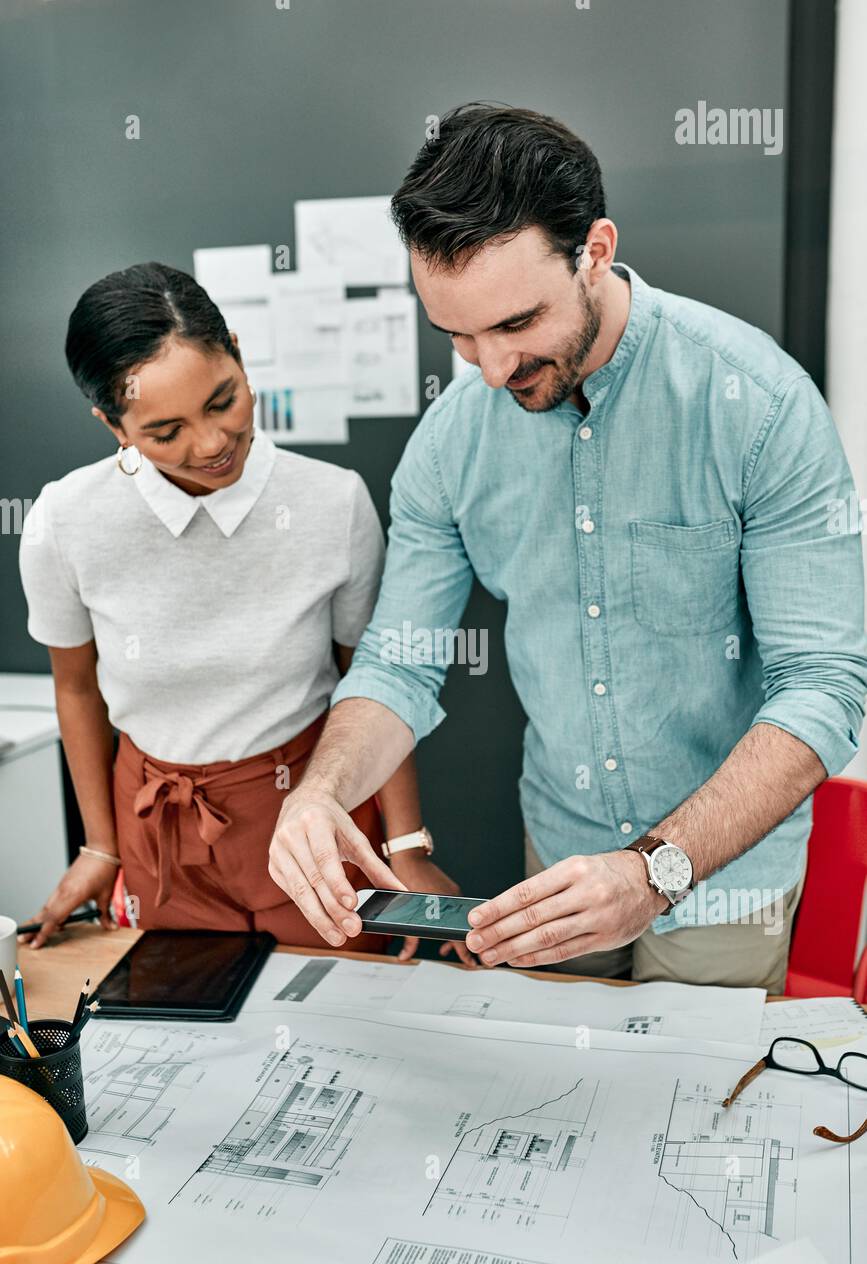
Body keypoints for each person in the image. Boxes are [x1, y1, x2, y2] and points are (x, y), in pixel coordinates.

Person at [268, 103, 867, 993]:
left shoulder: (759, 405)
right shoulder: (451, 440)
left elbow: (825, 686)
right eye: (458, 336)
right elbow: (398, 663)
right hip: (553, 859)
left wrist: (653, 869)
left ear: (593, 250)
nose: (490, 370)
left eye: (514, 325)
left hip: (721, 879)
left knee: (691, 1114)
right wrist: (317, 793)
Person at [18, 262, 468, 960]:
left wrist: (404, 845)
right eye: (164, 431)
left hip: (308, 812)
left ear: (236, 350)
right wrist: (102, 848)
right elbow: (75, 686)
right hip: (154, 825)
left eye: (222, 400)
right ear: (112, 425)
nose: (210, 444)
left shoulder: (331, 501)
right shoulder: (66, 519)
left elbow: (374, 679)